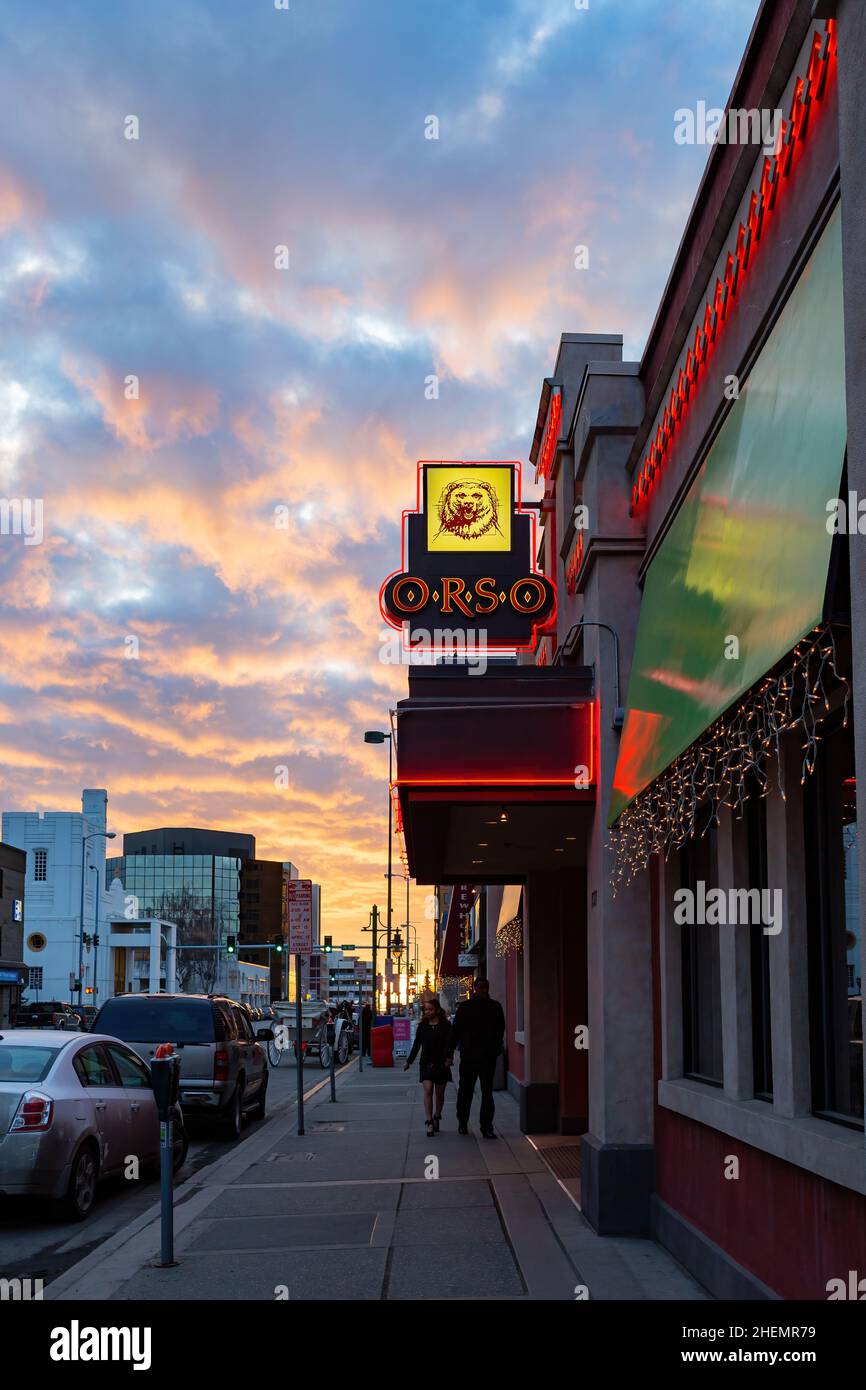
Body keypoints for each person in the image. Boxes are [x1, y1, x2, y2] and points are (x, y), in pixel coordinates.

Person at [451, 977, 505, 1138]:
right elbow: (456, 1031)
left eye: (485, 987)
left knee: (486, 1092)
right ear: (475, 988)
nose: (483, 990)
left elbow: (499, 1030)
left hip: (486, 1056)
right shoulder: (466, 1007)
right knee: (466, 1091)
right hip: (470, 1056)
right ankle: (463, 1122)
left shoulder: (495, 1007)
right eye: (480, 987)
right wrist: (449, 1052)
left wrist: (495, 1049)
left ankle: (486, 1126)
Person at [404, 994, 454, 1137]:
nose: (427, 1012)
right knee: (428, 1091)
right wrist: (409, 1061)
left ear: (437, 1010)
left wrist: (449, 1058)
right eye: (425, 1010)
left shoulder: (446, 1026)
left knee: (440, 1094)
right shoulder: (422, 1027)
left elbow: (450, 1043)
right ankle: (429, 1121)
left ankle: (437, 1115)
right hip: (426, 1063)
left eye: (430, 1009)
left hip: (441, 1063)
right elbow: (416, 1045)